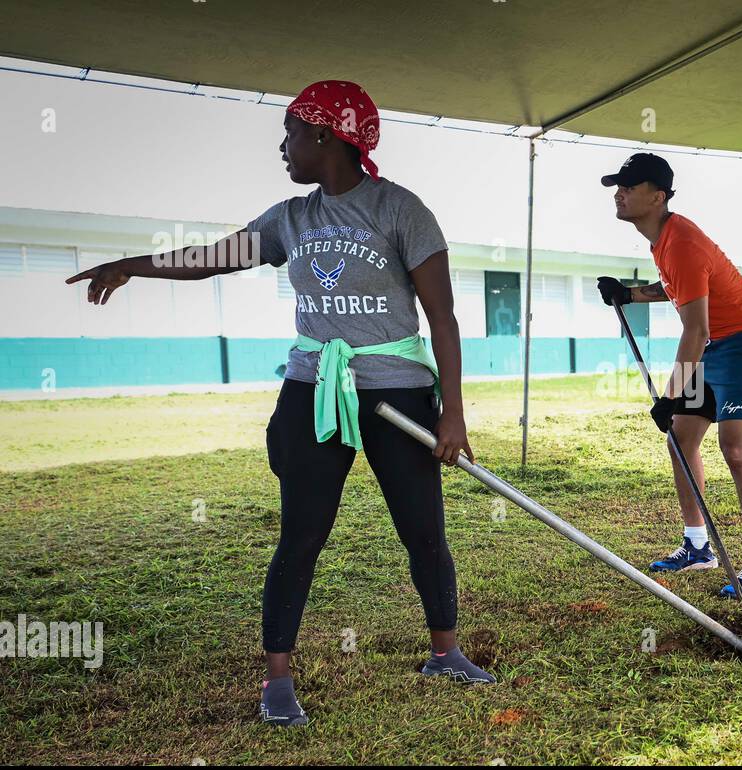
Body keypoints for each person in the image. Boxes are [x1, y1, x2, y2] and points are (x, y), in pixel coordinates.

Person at [66, 79, 494, 728]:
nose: (283, 147)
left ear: (326, 135)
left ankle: (445, 651)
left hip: (397, 394)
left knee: (424, 532)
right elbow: (212, 258)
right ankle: (278, 682)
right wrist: (133, 263)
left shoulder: (401, 210)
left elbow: (443, 316)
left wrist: (453, 411)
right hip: (314, 389)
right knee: (300, 535)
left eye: (291, 132)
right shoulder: (289, 218)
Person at [595, 153, 742, 600]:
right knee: (680, 440)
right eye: (617, 185)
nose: (619, 192)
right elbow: (679, 287)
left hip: (740, 341)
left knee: (735, 448)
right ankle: (698, 547)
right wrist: (630, 294)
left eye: (629, 186)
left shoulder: (680, 240)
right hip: (712, 344)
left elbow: (696, 328)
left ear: (657, 197)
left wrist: (672, 395)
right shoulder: (661, 240)